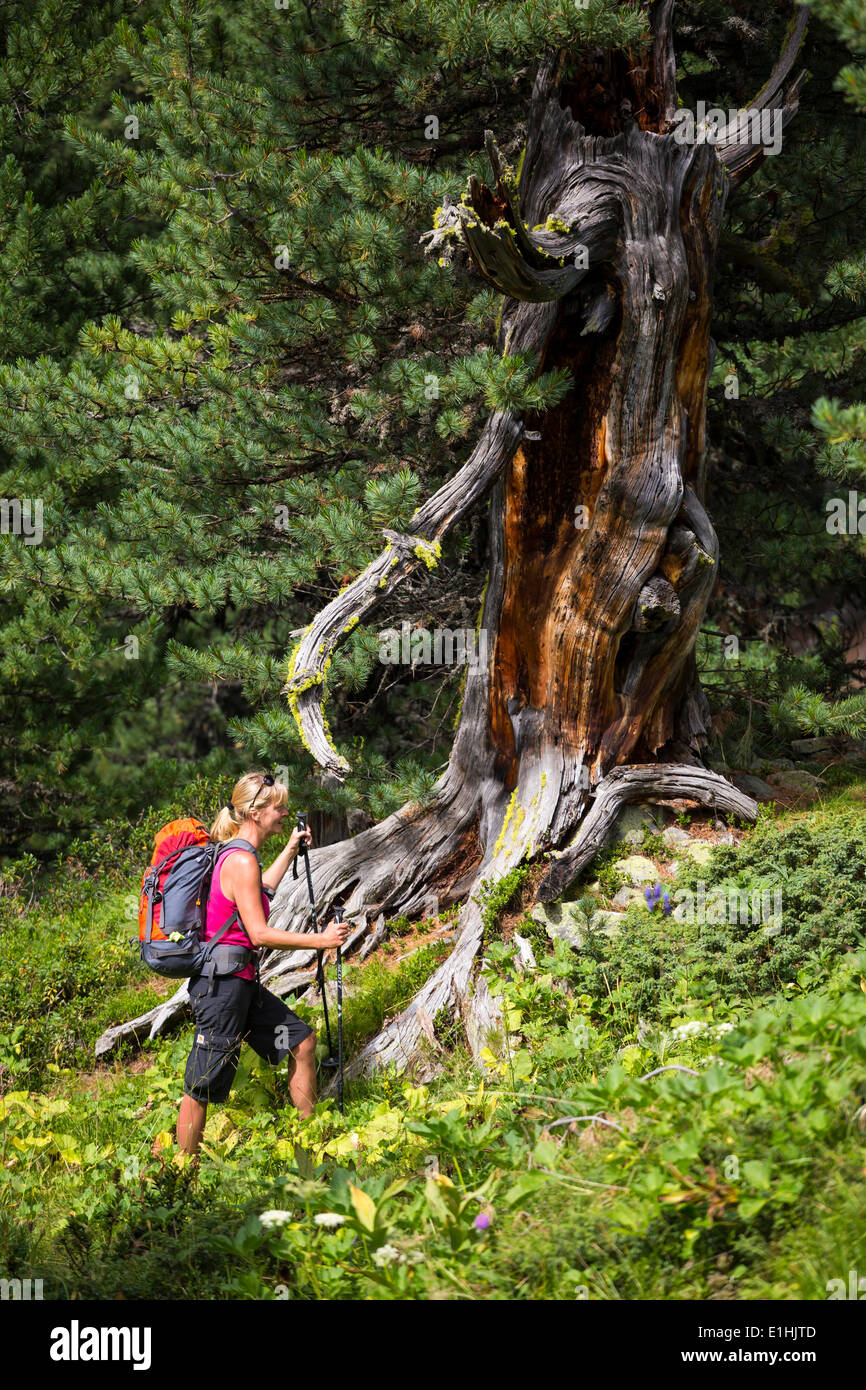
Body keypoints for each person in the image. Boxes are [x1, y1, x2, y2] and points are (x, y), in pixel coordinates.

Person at [176, 771, 349, 1156]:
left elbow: (263, 891)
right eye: (279, 807)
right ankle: (179, 1175)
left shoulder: (239, 855)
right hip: (222, 990)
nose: (285, 812)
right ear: (256, 813)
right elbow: (259, 933)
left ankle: (309, 1143)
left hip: (241, 987)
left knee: (300, 1043)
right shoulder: (239, 860)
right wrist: (320, 941)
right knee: (201, 1084)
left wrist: (289, 849)